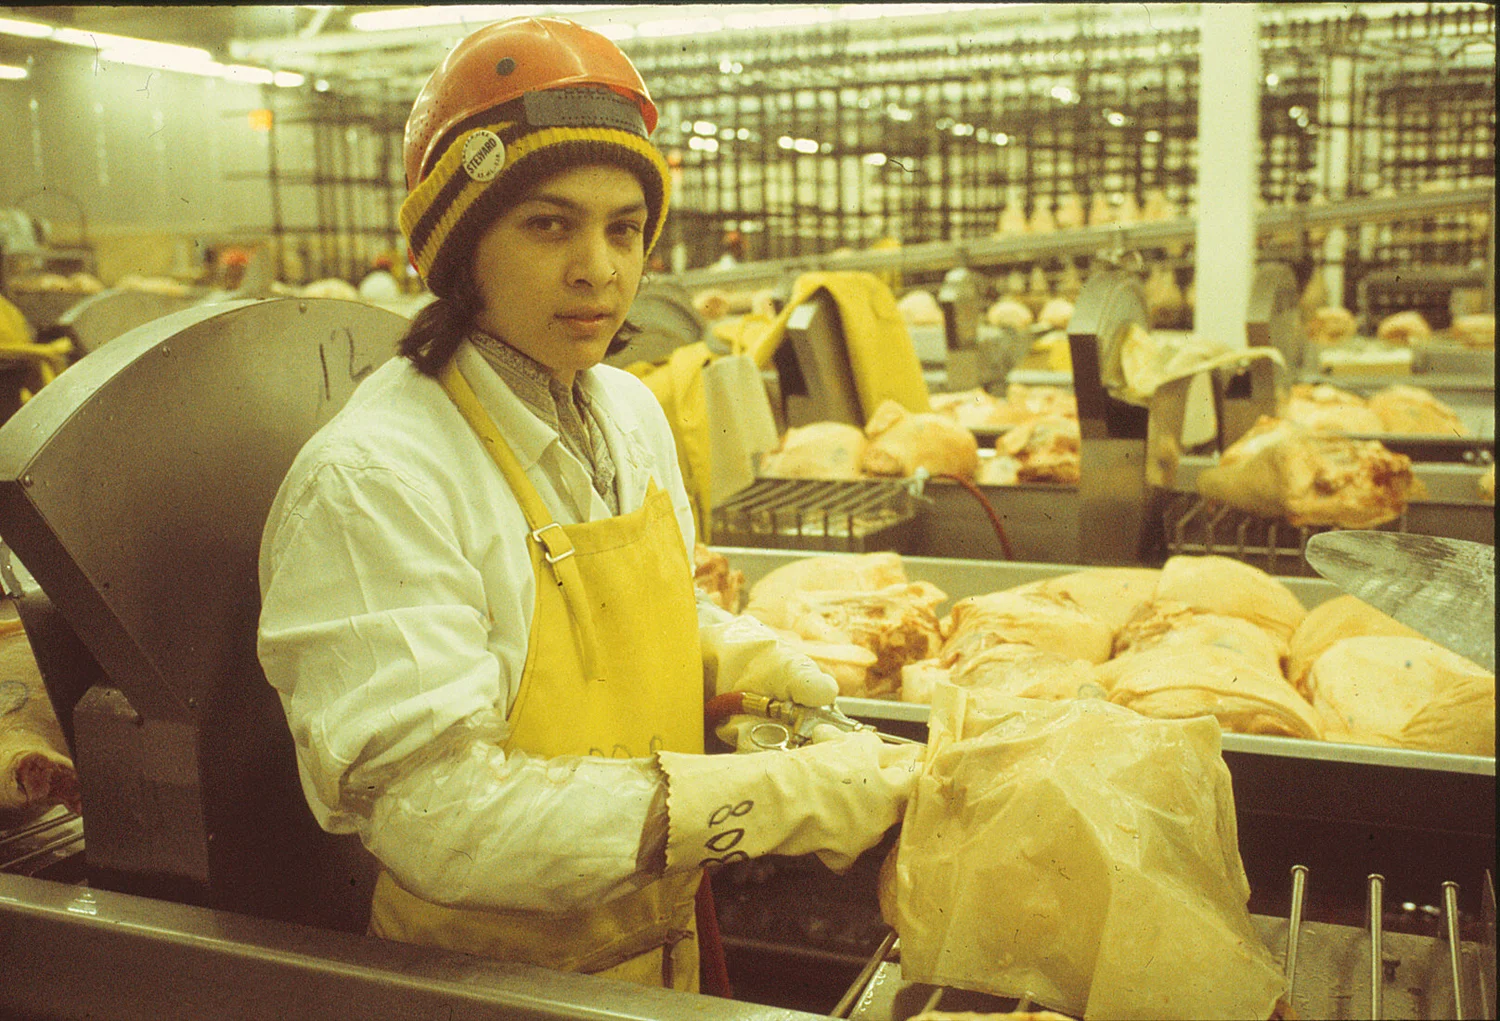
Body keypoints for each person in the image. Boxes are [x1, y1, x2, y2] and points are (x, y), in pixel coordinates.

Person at [256, 16, 919, 995]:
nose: (599, 269)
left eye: (624, 227)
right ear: (461, 245)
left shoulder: (630, 409)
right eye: (549, 223)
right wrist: (768, 798)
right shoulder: (374, 477)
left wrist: (748, 663)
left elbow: (637, 611)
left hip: (662, 946)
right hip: (483, 981)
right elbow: (440, 818)